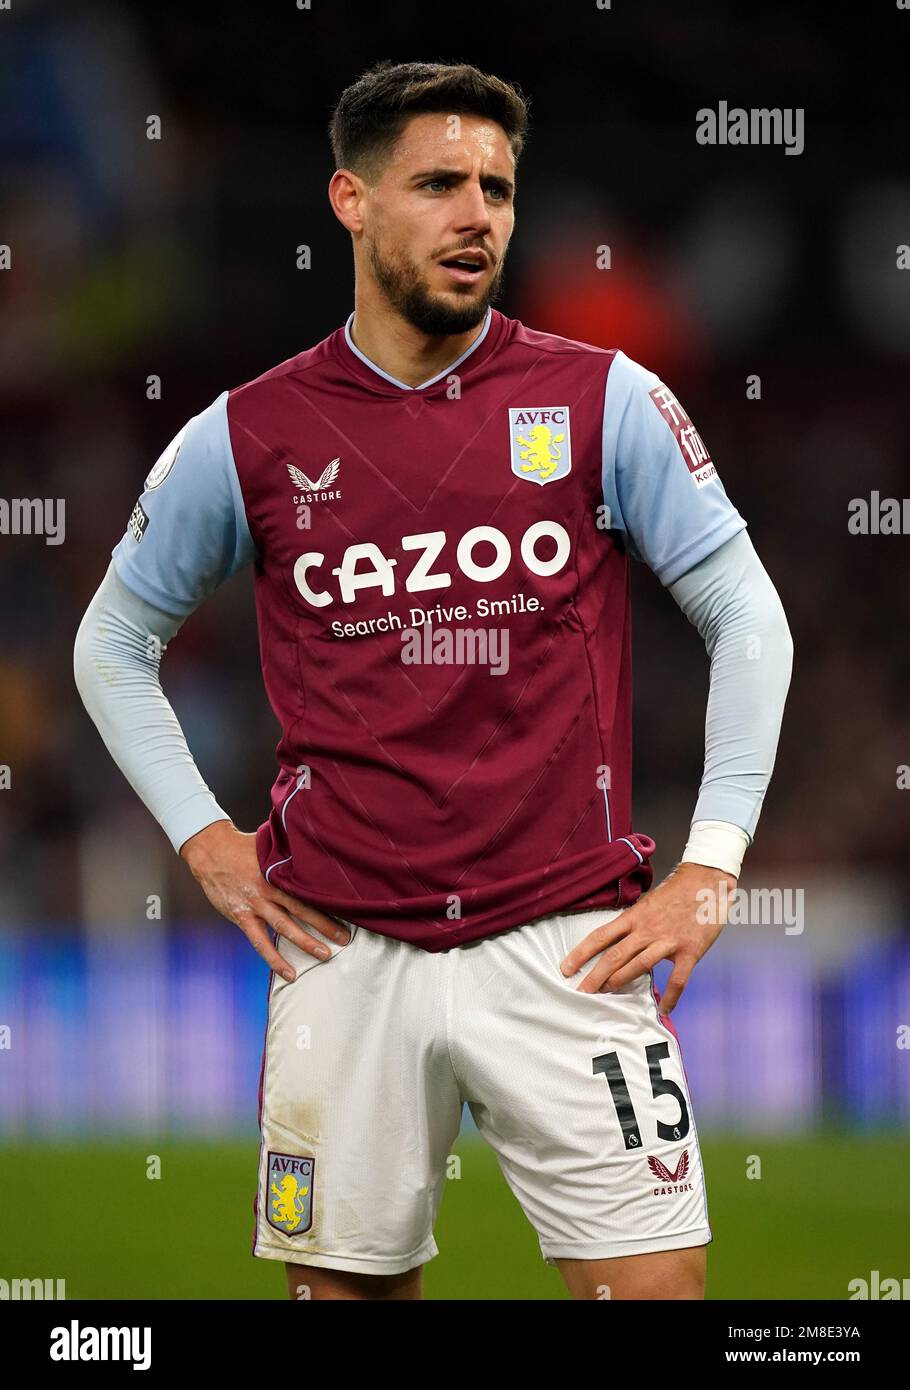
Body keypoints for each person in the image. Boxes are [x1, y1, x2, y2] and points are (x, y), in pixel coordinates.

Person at [74, 59, 793, 1301]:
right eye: (440, 184)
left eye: (499, 188)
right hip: (343, 950)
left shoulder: (600, 399)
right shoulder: (246, 434)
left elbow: (747, 613)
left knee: (660, 1293)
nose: (479, 216)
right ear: (351, 200)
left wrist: (712, 862)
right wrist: (203, 838)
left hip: (572, 943)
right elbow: (110, 644)